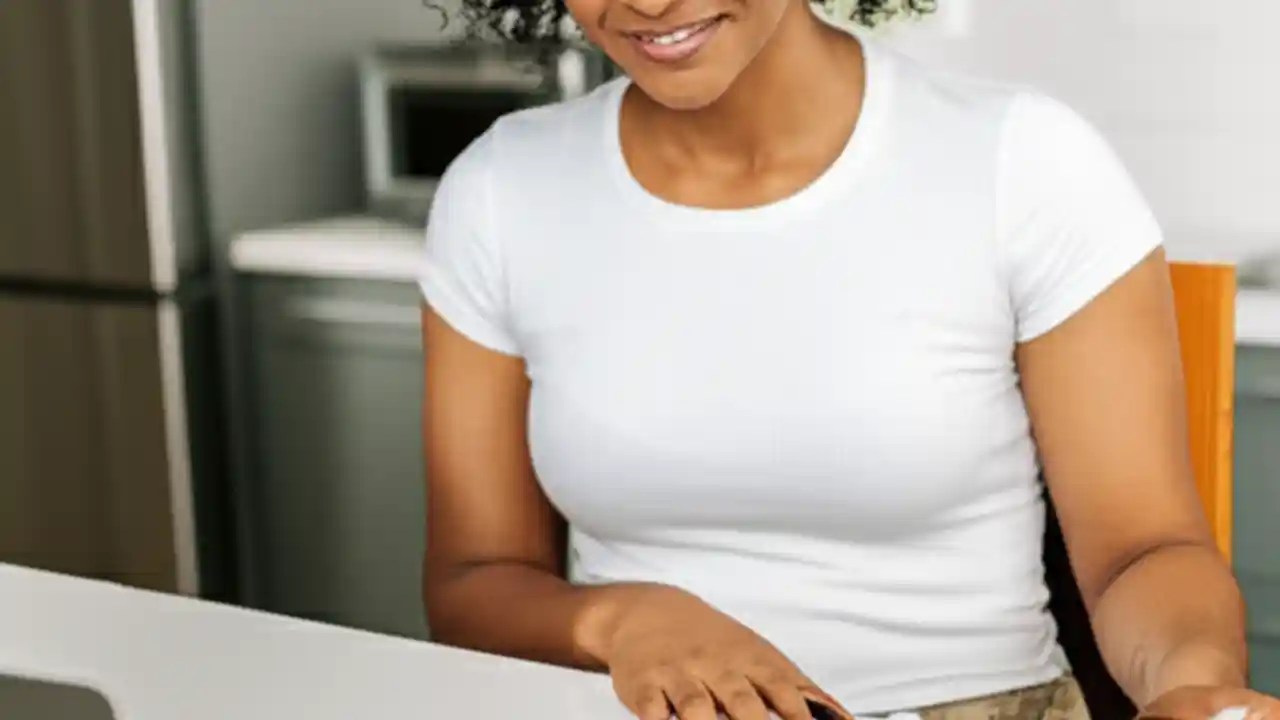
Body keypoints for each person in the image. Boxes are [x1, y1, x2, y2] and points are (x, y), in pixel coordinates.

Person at [416, 0, 1280, 717]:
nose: (647, 2)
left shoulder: (1024, 164)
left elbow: (1145, 550)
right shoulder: (502, 193)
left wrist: (1193, 688)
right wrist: (620, 621)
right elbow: (474, 581)